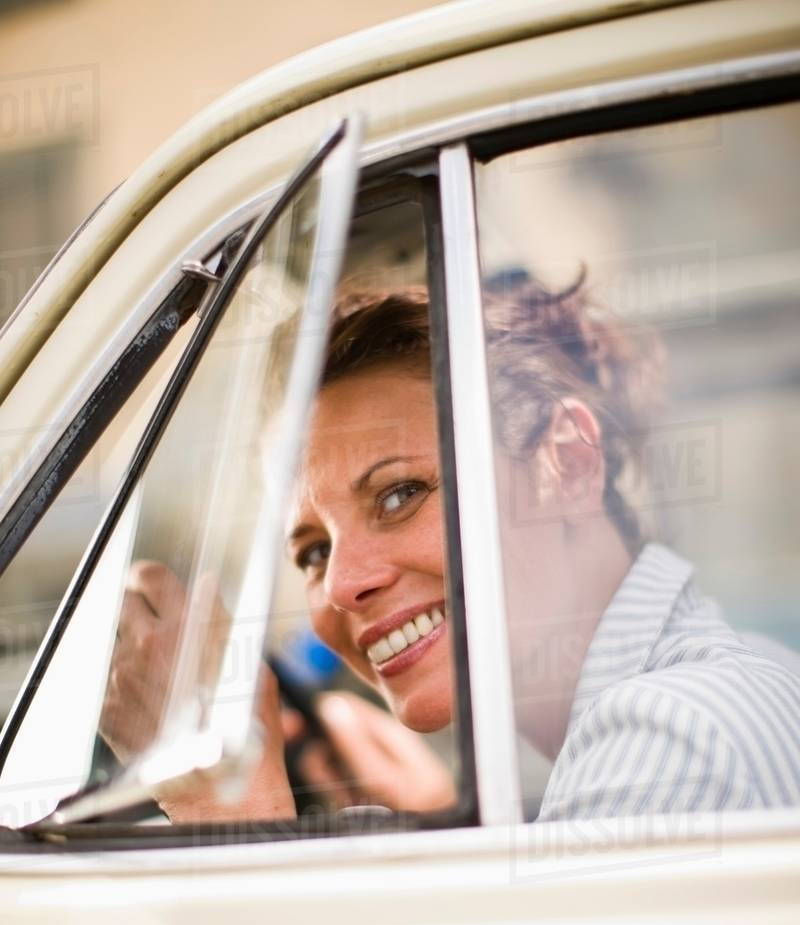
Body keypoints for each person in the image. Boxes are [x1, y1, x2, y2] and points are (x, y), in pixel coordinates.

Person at [101, 280, 800, 822]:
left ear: (570, 465)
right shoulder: (733, 670)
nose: (343, 584)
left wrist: (226, 808)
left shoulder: (666, 745)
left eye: (401, 493)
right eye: (312, 552)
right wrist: (437, 815)